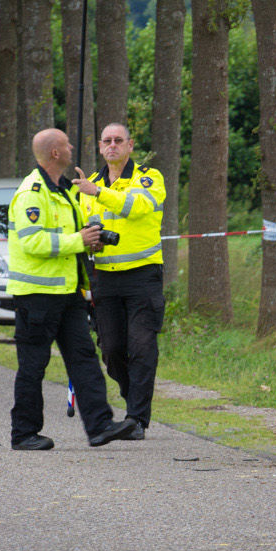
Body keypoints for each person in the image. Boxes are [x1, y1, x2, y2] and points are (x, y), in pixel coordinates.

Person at [7, 128, 139, 451]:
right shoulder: (31, 193)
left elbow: (74, 233)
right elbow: (32, 241)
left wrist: (91, 235)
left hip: (67, 295)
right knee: (33, 365)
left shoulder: (63, 191)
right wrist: (78, 240)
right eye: (66, 144)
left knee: (84, 359)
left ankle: (100, 426)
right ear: (55, 153)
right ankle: (24, 433)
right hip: (36, 297)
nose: (71, 147)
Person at [86, 123, 167, 438]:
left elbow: (138, 207)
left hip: (143, 275)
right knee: (112, 348)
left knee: (142, 346)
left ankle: (136, 419)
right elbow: (86, 223)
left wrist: (100, 193)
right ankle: (134, 397)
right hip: (104, 277)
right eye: (107, 141)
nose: (112, 146)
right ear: (100, 146)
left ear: (130, 145)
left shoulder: (148, 177)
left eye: (119, 140)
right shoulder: (90, 184)